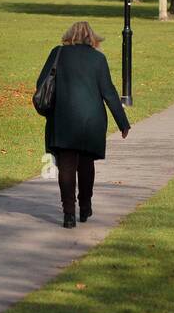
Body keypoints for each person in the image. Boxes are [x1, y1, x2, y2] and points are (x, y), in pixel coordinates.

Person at [35, 21, 130, 228]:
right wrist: (122, 123)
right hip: (92, 121)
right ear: (92, 38)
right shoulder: (98, 59)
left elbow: (41, 83)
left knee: (67, 167)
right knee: (86, 165)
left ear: (69, 36)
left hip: (63, 119)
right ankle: (85, 206)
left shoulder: (58, 53)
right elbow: (109, 93)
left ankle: (68, 213)